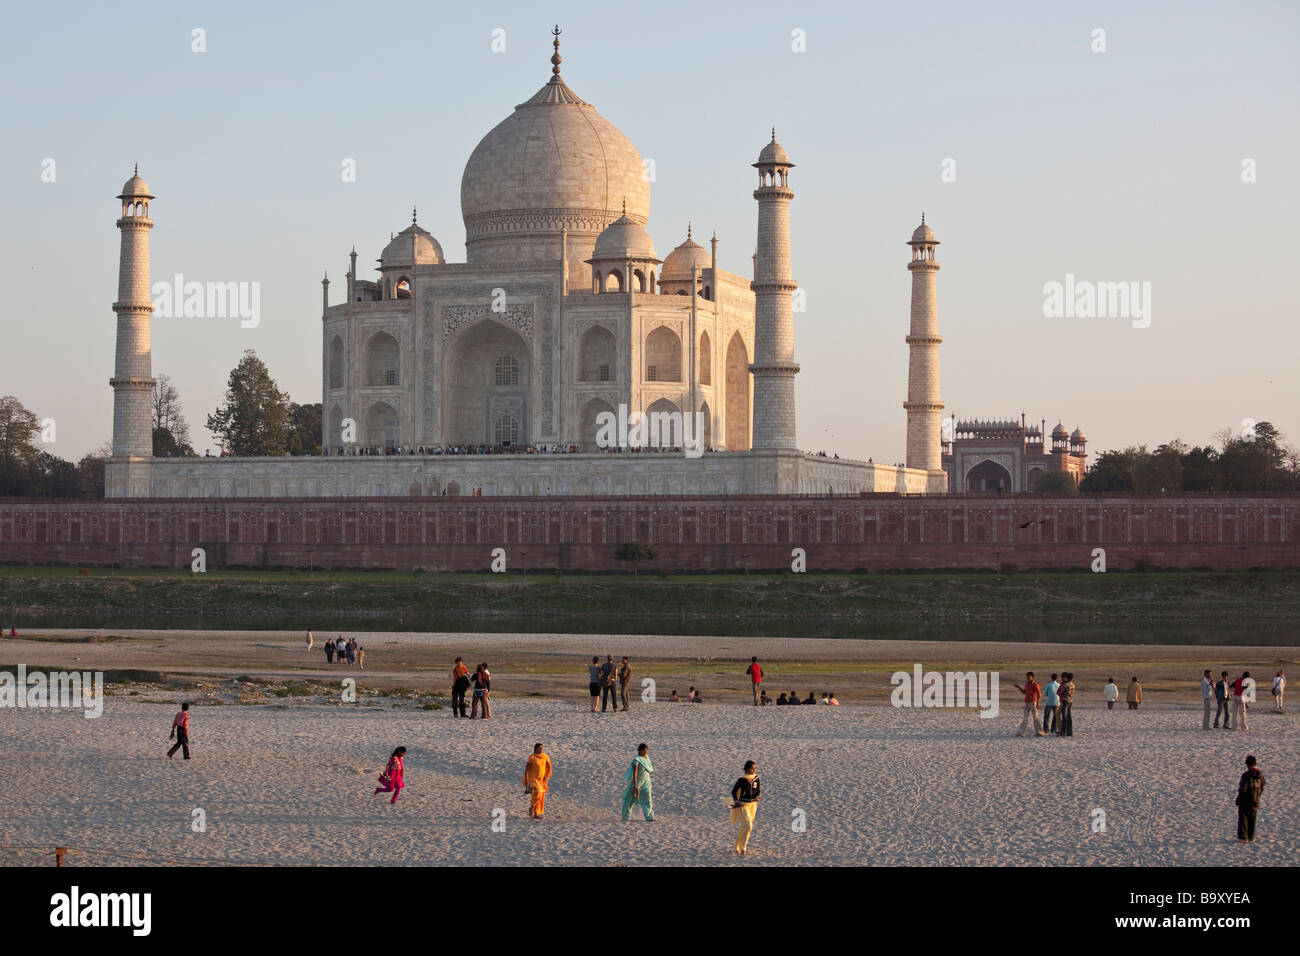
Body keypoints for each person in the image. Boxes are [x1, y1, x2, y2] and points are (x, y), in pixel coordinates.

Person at [730, 760, 761, 856]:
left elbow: (758, 791)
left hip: (753, 805)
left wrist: (757, 796)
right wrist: (736, 801)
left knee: (745, 826)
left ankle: (737, 847)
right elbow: (734, 792)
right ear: (747, 768)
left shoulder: (756, 778)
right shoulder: (741, 780)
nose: (754, 770)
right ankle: (743, 848)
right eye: (752, 768)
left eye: (755, 768)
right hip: (743, 805)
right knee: (748, 825)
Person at [1235, 755, 1265, 842]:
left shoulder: (1246, 775)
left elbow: (1243, 789)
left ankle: (1243, 837)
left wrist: (1239, 799)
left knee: (1244, 819)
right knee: (1252, 819)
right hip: (1256, 800)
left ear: (1248, 765)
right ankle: (1251, 837)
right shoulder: (1260, 775)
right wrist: (1258, 796)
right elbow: (1262, 786)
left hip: (1246, 801)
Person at [621, 744, 654, 821]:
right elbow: (635, 772)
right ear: (640, 751)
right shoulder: (637, 760)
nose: (646, 753)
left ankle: (650, 817)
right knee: (630, 800)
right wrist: (635, 785)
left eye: (647, 751)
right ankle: (626, 817)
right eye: (644, 751)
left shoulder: (646, 758)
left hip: (646, 782)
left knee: (647, 799)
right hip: (637, 783)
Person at [523, 743, 553, 820]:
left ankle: (535, 813)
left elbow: (549, 767)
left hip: (541, 780)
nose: (541, 750)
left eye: (542, 748)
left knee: (540, 796)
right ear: (535, 749)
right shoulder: (532, 757)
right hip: (533, 779)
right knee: (538, 792)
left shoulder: (545, 757)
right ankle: (532, 807)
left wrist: (546, 777)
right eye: (539, 748)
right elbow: (527, 770)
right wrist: (527, 783)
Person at [1012, 672, 1042, 737]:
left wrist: (1038, 703)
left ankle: (1039, 732)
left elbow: (1039, 695)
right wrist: (1018, 687)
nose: (1027, 678)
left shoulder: (1035, 684)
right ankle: (1022, 733)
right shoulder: (1027, 684)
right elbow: (1024, 692)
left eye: (1028, 677)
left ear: (1032, 677)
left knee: (1035, 718)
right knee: (1025, 718)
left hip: (1033, 702)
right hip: (1027, 702)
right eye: (1027, 677)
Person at [1056, 672, 1075, 737]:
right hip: (1070, 701)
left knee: (1064, 717)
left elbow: (1059, 693)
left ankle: (1063, 732)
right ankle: (1070, 732)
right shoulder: (1072, 684)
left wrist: (1059, 692)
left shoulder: (1065, 685)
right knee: (1069, 717)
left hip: (1065, 701)